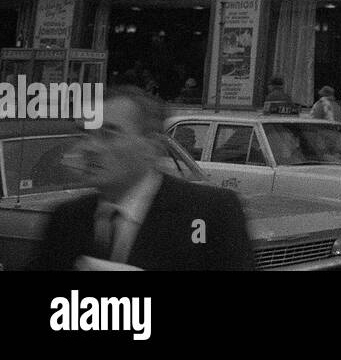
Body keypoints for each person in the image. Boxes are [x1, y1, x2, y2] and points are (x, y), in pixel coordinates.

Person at [30, 86, 255, 270]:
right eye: (84, 134)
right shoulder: (67, 219)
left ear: (152, 145)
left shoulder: (210, 212)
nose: (89, 147)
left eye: (109, 133)